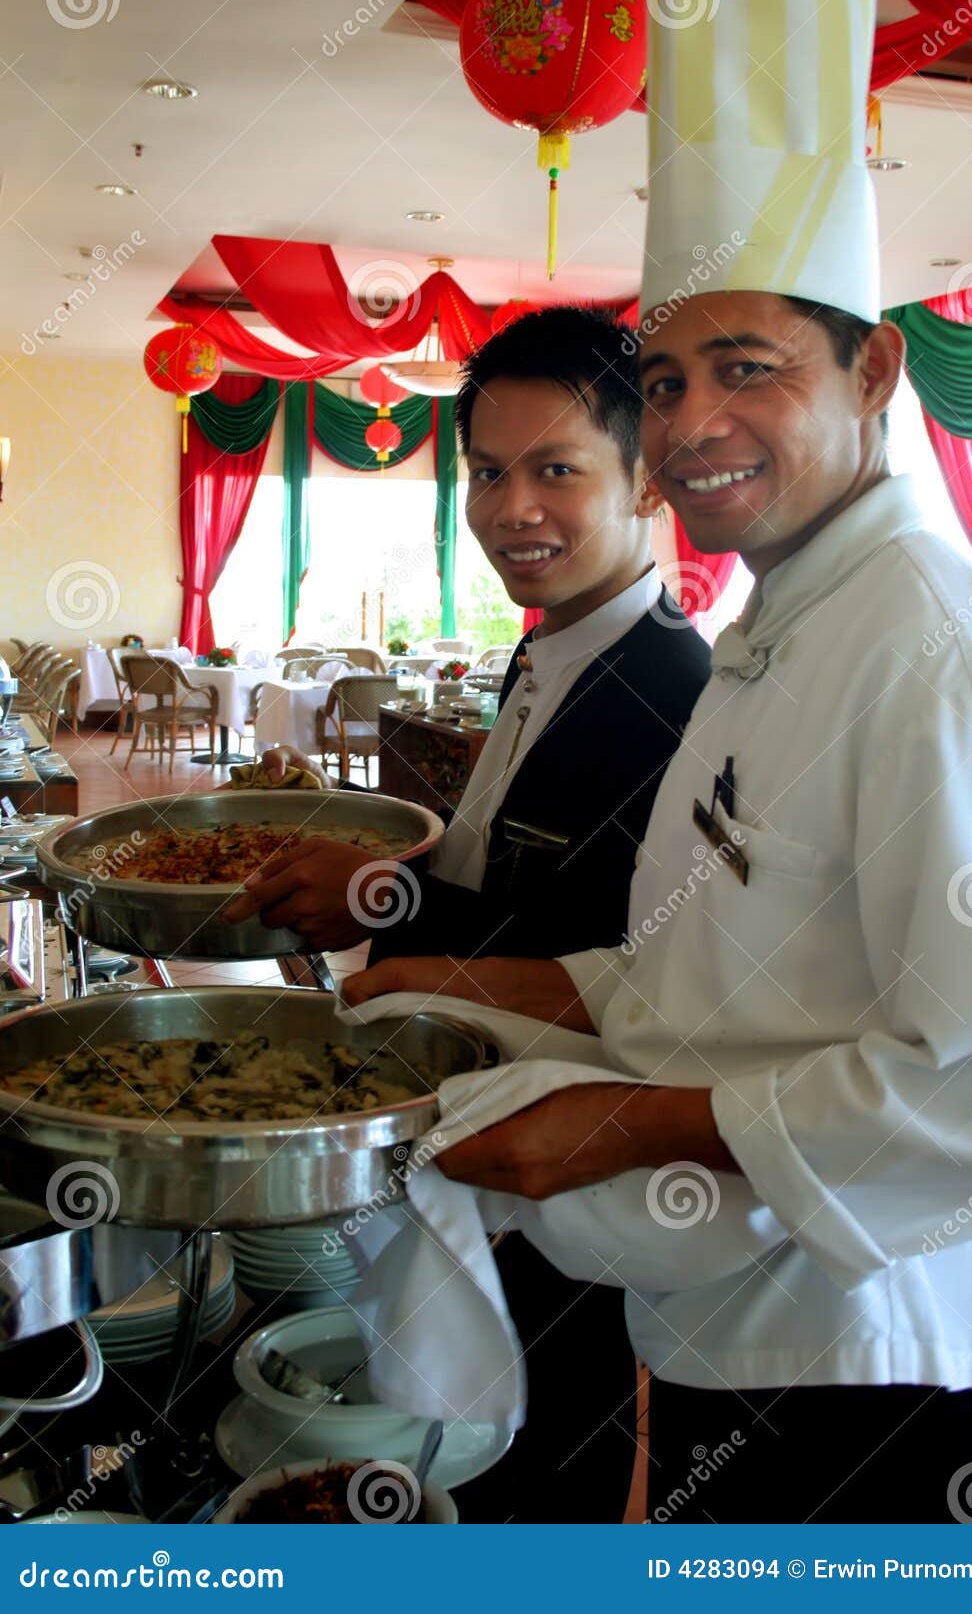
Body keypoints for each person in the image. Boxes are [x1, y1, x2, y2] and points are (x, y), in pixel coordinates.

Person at [342, 0, 972, 1523]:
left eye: (745, 367)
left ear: (876, 369)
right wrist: (469, 990)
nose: (689, 425)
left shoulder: (931, 654)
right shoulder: (777, 627)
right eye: (663, 382)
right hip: (742, 1308)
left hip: (874, 1340)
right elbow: (712, 967)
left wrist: (629, 1117)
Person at [227, 304, 711, 1522]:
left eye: (556, 469)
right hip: (471, 1106)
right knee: (481, 1401)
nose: (512, 509)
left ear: (642, 478)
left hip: (559, 1132)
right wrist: (385, 867)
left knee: (556, 1405)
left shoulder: (669, 688)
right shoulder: (546, 648)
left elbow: (620, 958)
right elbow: (510, 873)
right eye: (488, 473)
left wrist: (376, 896)